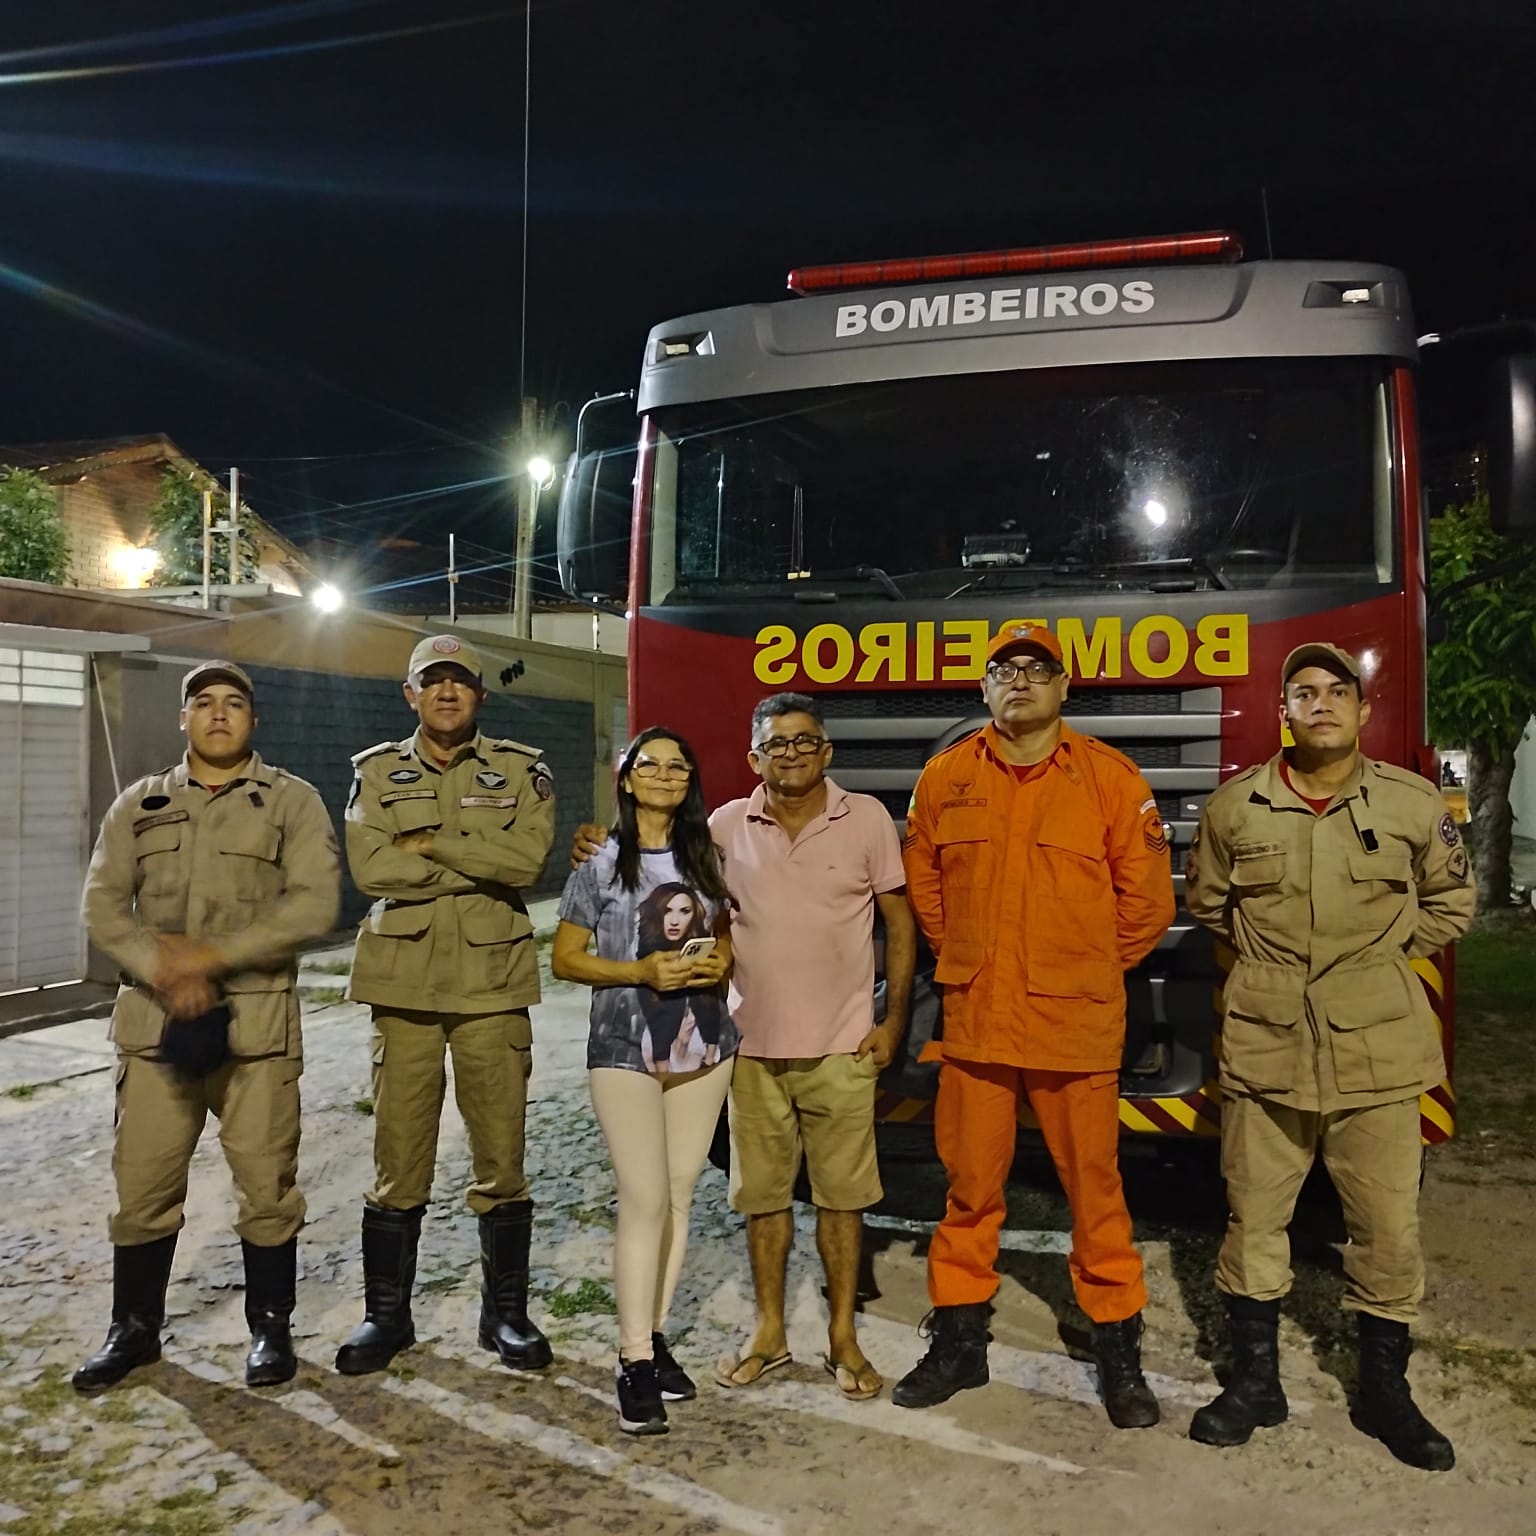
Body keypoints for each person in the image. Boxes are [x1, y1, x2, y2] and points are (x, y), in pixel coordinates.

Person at [573, 690, 917, 1405]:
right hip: (748, 1049)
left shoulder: (867, 820)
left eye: (804, 740)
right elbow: (671, 876)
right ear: (754, 757)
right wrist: (600, 845)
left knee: (843, 1200)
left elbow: (900, 921)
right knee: (761, 1199)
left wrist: (893, 1023)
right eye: (774, 744)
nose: (790, 753)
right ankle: (769, 1332)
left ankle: (842, 1336)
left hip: (843, 1048)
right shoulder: (723, 827)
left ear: (826, 751)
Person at [1184, 642, 1475, 1470]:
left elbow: (1452, 900)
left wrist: (1376, 963)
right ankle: (1256, 1383)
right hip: (1266, 1044)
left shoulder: (1414, 804)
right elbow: (1209, 903)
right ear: (1283, 712)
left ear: (1362, 709)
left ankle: (1385, 1392)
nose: (1321, 704)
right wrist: (1275, 971)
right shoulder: (1236, 808)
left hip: (1378, 1048)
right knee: (1254, 1220)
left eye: (1337, 691)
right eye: (1304, 692)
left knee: (1387, 1228)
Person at [894, 623, 1174, 1426]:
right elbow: (927, 889)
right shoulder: (947, 777)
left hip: (1073, 1027)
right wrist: (973, 960)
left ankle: (1118, 1352)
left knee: (1096, 1194)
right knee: (968, 1192)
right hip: (978, 1023)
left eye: (1036, 668)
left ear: (1063, 686)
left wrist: (1080, 968)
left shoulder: (1111, 780)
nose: (1019, 680)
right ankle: (960, 1344)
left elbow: (1147, 907)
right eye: (1003, 669)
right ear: (984, 688)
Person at [75, 661, 340, 1392]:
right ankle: (133, 1330)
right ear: (183, 718)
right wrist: (162, 967)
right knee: (143, 1183)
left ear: (253, 720)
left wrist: (211, 957)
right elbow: (101, 905)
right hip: (154, 1026)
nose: (218, 713)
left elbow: (314, 905)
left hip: (255, 1029)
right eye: (203, 703)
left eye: (233, 703)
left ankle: (270, 1329)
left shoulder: (291, 801)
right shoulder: (141, 803)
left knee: (267, 1183)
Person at [336, 634, 556, 1376]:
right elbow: (371, 869)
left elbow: (528, 861)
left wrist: (432, 842)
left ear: (480, 695)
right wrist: (477, 862)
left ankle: (506, 1316)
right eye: (432, 682)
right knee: (399, 1159)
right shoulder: (375, 771)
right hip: (402, 987)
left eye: (460, 681)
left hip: (492, 986)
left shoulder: (520, 769)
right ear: (411, 695)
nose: (447, 692)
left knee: (501, 1157)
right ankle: (386, 1318)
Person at [552, 727, 738, 1435]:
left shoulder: (707, 856)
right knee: (644, 1196)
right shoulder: (599, 861)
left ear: (690, 780)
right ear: (626, 778)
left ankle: (653, 1338)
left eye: (677, 765)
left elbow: (725, 933)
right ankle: (632, 1361)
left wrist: (720, 960)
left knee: (681, 1193)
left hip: (706, 1042)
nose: (664, 774)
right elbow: (566, 958)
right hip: (624, 1045)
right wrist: (637, 971)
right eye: (648, 764)